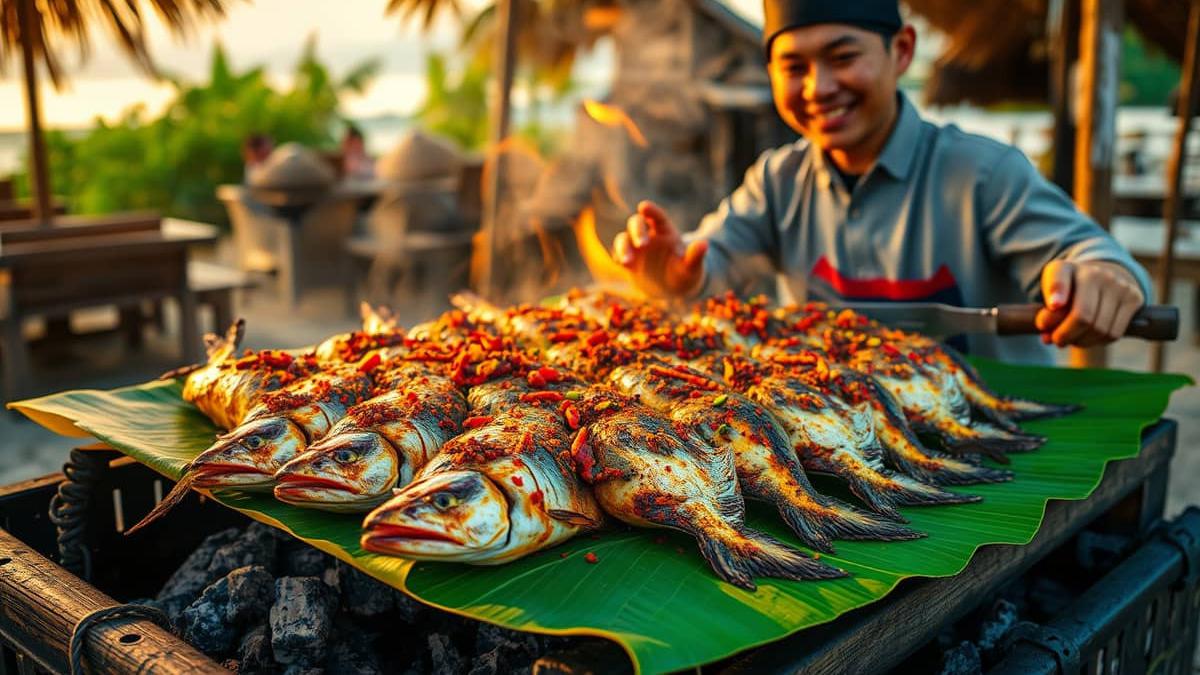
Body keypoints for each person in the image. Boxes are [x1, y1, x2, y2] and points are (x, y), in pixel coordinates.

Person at [612, 0, 1151, 364]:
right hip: (834, 452)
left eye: (843, 57)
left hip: (992, 454)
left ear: (901, 52)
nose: (818, 87)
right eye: (793, 66)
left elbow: (1094, 258)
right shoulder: (778, 180)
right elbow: (713, 263)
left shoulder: (984, 174)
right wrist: (677, 275)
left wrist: (1101, 278)